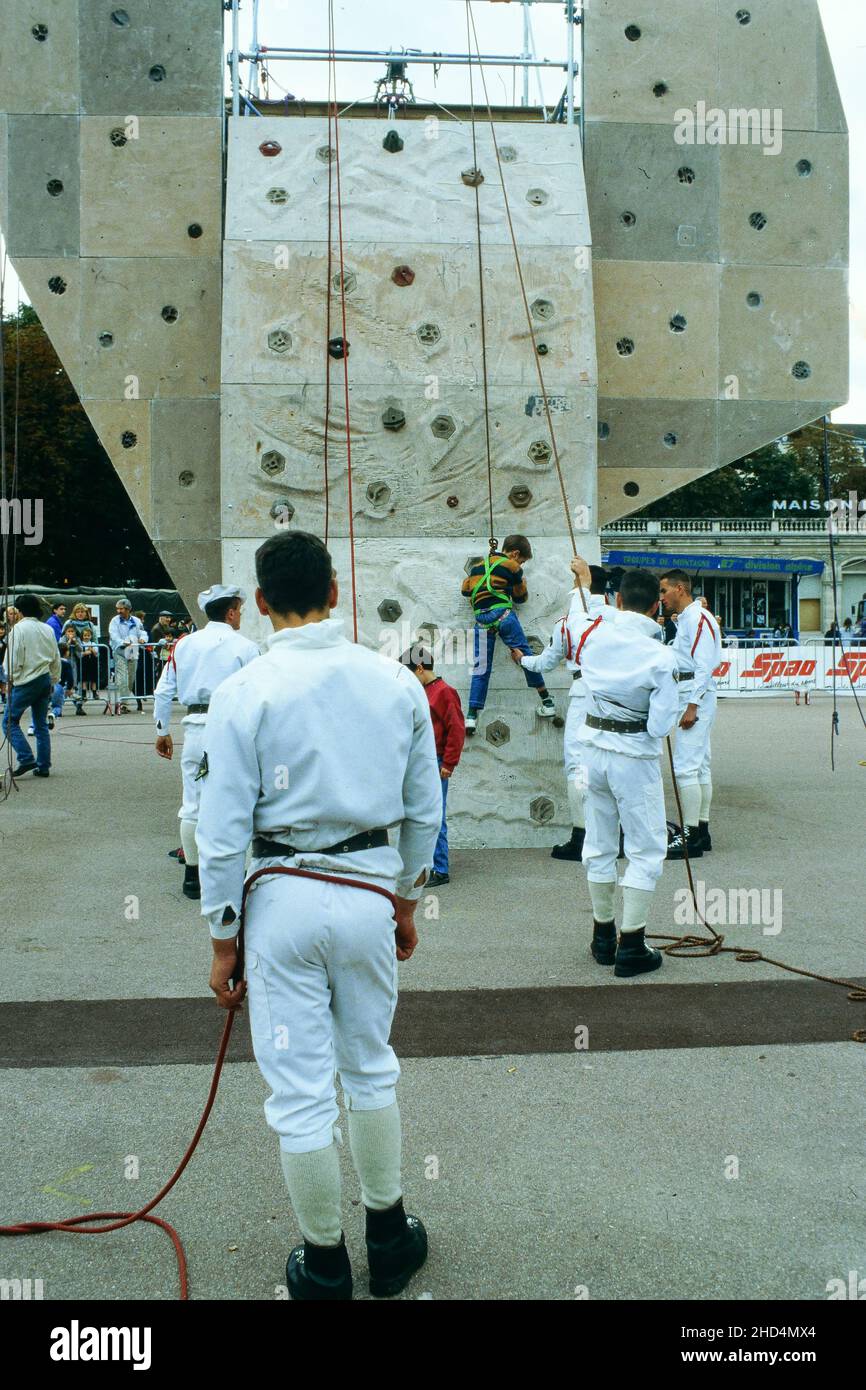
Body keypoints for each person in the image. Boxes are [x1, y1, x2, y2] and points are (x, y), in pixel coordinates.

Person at [197, 531, 442, 1301]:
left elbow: (220, 831)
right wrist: (404, 902)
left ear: (262, 602)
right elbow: (423, 811)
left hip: (281, 901)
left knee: (298, 1088)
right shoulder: (396, 684)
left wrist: (222, 939)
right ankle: (389, 1235)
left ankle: (324, 1262)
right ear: (336, 592)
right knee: (370, 1067)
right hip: (370, 893)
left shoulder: (245, 690)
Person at [567, 559, 679, 976]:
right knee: (646, 848)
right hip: (633, 756)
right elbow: (660, 724)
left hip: (590, 752)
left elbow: (584, 611)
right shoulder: (661, 657)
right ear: (656, 608)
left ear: (618, 600)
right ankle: (631, 943)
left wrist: (582, 581)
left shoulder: (592, 637)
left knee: (598, 842)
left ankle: (601, 935)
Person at [153, 584, 260, 900]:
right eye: (239, 610)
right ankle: (237, 876)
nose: (240, 615)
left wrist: (162, 730)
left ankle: (192, 877)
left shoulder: (184, 645)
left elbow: (162, 691)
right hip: (231, 727)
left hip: (196, 729)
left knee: (193, 804)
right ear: (230, 612)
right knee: (238, 802)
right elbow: (256, 695)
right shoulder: (246, 647)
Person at [516, 564, 611, 861]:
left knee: (578, 767)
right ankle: (613, 833)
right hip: (617, 694)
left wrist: (523, 660)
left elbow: (546, 662)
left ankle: (581, 835)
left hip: (585, 693)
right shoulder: (617, 619)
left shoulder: (568, 622)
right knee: (611, 762)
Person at [461, 535, 556, 735]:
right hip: (503, 614)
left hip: (481, 620)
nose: (521, 564)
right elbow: (520, 598)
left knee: (481, 668)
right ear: (515, 553)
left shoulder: (477, 567)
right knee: (525, 655)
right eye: (521, 561)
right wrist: (522, 583)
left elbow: (465, 590)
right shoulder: (512, 567)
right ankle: (547, 701)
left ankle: (471, 716)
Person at [659, 569, 723, 859]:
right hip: (690, 692)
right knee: (699, 766)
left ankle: (690, 835)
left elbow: (704, 664)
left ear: (680, 589)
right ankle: (701, 829)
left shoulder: (698, 618)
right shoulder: (689, 618)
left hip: (694, 693)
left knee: (685, 767)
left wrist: (693, 705)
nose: (662, 598)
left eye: (664, 591)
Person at [400, 642, 465, 887]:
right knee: (425, 813)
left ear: (419, 668)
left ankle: (441, 869)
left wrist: (449, 763)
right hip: (425, 761)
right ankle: (427, 865)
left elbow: (456, 729)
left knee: (435, 815)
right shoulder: (425, 692)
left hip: (438, 762)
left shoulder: (444, 692)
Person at [3, 593, 61, 778]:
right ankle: (43, 766)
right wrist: (54, 679)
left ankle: (26, 758)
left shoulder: (18, 630)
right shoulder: (47, 628)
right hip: (44, 677)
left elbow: (12, 658)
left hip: (26, 680)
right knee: (40, 724)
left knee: (9, 722)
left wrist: (10, 679)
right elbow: (55, 656)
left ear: (19, 611)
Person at [108, 598, 146, 713]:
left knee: (131, 678)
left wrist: (143, 639)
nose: (119, 611)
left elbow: (142, 632)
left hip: (133, 651)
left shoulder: (136, 621)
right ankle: (122, 702)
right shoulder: (114, 621)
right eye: (117, 608)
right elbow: (113, 634)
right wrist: (122, 642)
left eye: (121, 609)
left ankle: (124, 703)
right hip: (120, 650)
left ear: (128, 609)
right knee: (122, 677)